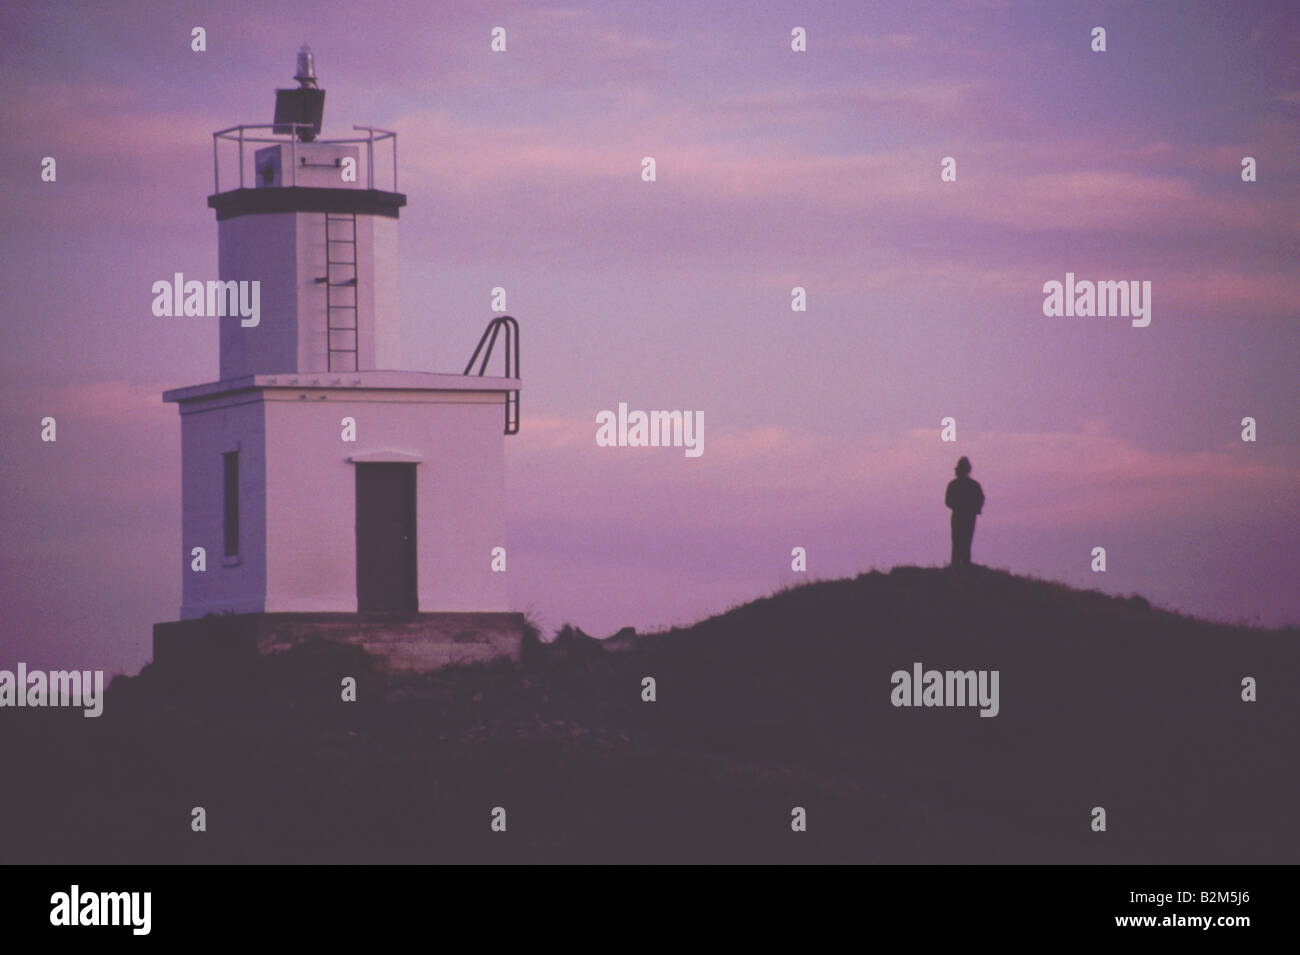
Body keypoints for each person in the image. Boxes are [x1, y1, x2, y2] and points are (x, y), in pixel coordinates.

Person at [945, 457, 984, 568]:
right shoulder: (974, 485)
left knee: (960, 540)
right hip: (967, 516)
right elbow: (980, 499)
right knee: (964, 540)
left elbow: (948, 501)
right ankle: (962, 565)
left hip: (960, 516)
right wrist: (974, 509)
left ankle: (958, 565)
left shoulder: (954, 484)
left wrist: (961, 507)